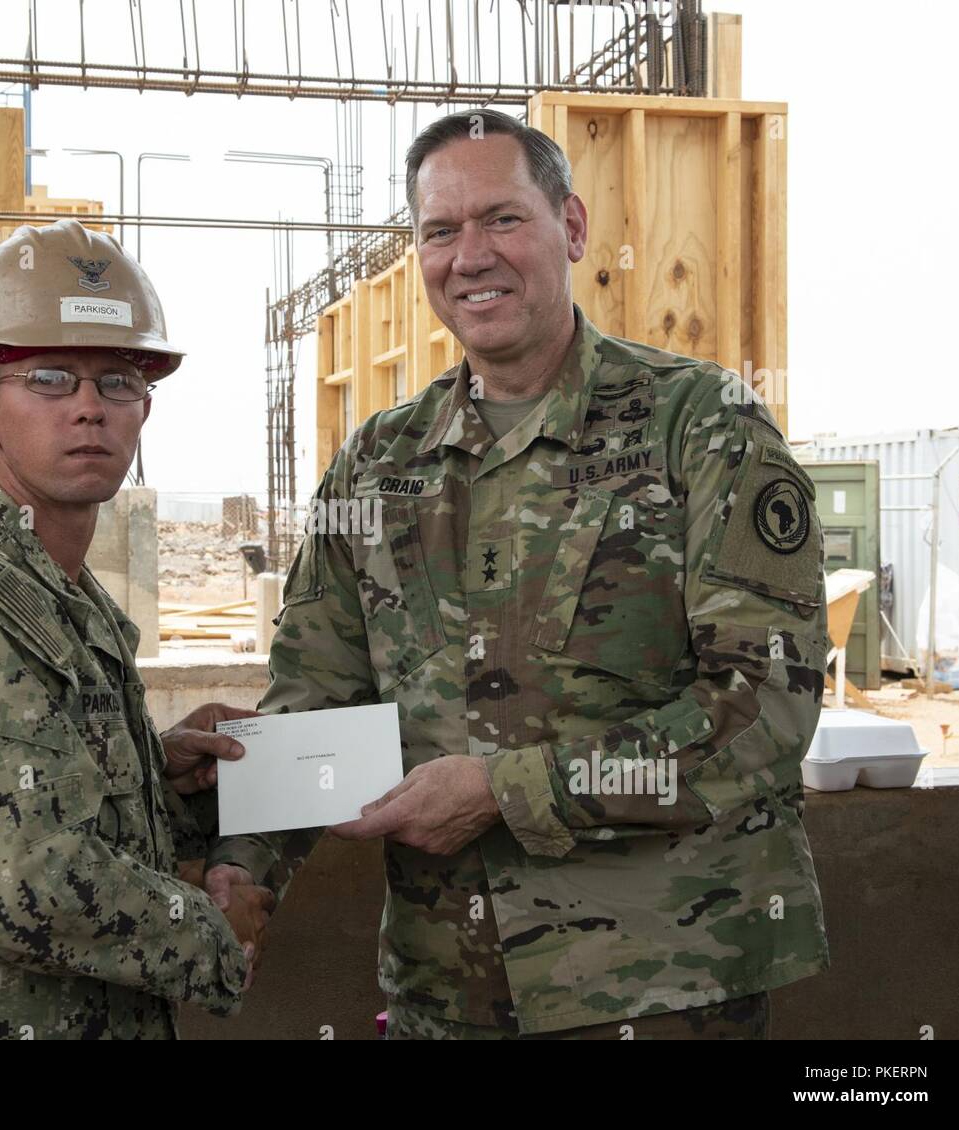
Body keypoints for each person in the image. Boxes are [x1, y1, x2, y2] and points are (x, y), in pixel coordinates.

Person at [204, 109, 829, 1039]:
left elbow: (765, 706)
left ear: (571, 228)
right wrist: (241, 866)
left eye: (501, 218)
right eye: (439, 232)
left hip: (659, 989)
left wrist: (508, 789)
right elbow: (317, 701)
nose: (470, 256)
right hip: (443, 991)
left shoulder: (701, 425)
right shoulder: (379, 460)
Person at [0, 220, 273, 1039]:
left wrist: (156, 775)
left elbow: (46, 810)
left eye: (117, 383)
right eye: (50, 379)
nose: (88, 411)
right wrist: (215, 933)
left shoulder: (63, 596)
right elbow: (13, 880)